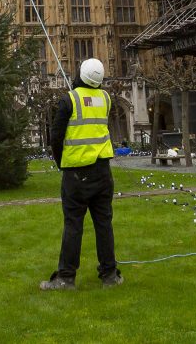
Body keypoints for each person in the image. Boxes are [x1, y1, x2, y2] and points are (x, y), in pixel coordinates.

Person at [40, 57, 122, 290]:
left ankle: (66, 278)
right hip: (103, 171)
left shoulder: (70, 99)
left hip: (77, 173)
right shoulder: (106, 98)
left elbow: (55, 137)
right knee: (104, 224)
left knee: (73, 224)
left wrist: (61, 162)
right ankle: (109, 275)